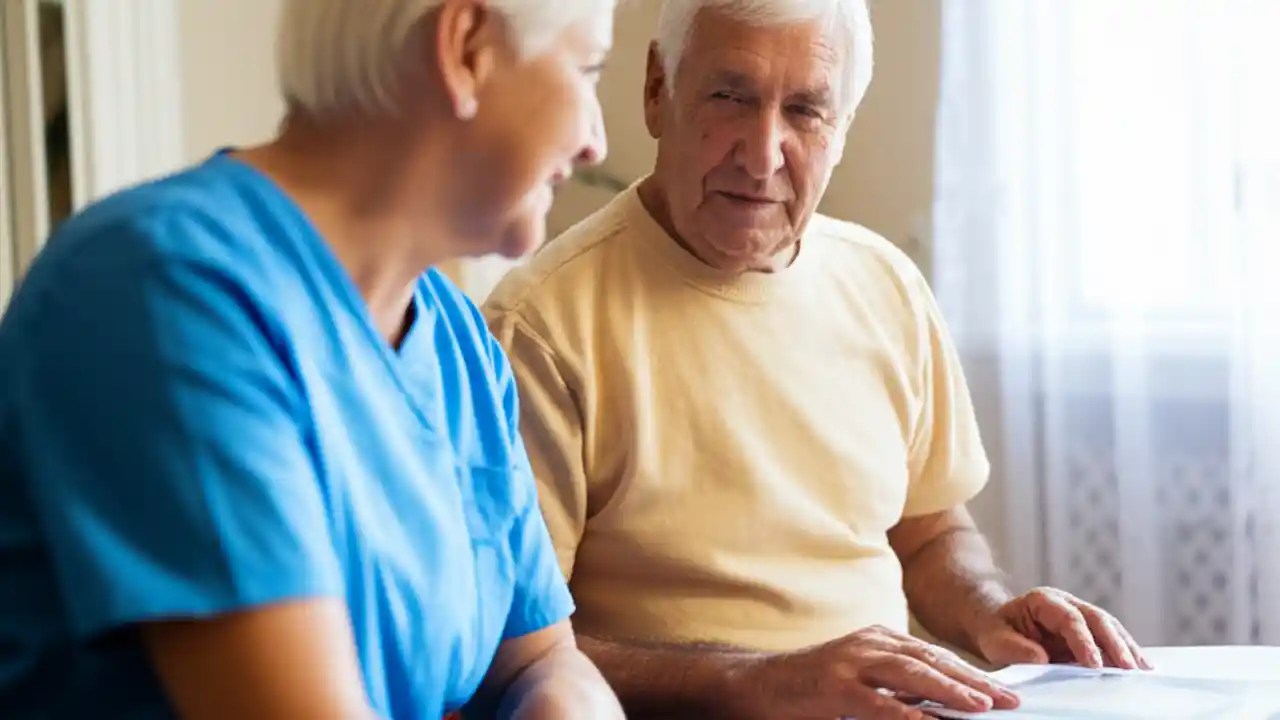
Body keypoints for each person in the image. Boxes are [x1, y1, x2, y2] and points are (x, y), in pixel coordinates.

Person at [483, 0, 1151, 717]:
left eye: (804, 111)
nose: (762, 153)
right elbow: (511, 656)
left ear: (840, 131)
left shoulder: (885, 285)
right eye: (730, 97)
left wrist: (989, 611)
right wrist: (759, 681)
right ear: (657, 91)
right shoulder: (539, 327)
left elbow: (929, 533)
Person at [0, 1, 623, 718]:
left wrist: (563, 702)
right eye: (588, 69)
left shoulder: (460, 346)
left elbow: (541, 659)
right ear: (466, 48)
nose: (596, 144)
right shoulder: (160, 288)